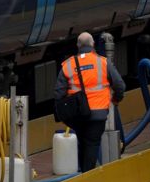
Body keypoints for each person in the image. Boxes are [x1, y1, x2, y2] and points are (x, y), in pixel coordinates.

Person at [54, 32, 126, 172]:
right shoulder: (103, 62)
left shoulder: (68, 65)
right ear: (93, 44)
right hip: (98, 114)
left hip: (78, 115)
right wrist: (116, 100)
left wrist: (65, 113)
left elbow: (58, 94)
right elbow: (120, 85)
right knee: (92, 144)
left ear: (77, 46)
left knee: (82, 143)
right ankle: (88, 175)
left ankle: (83, 173)